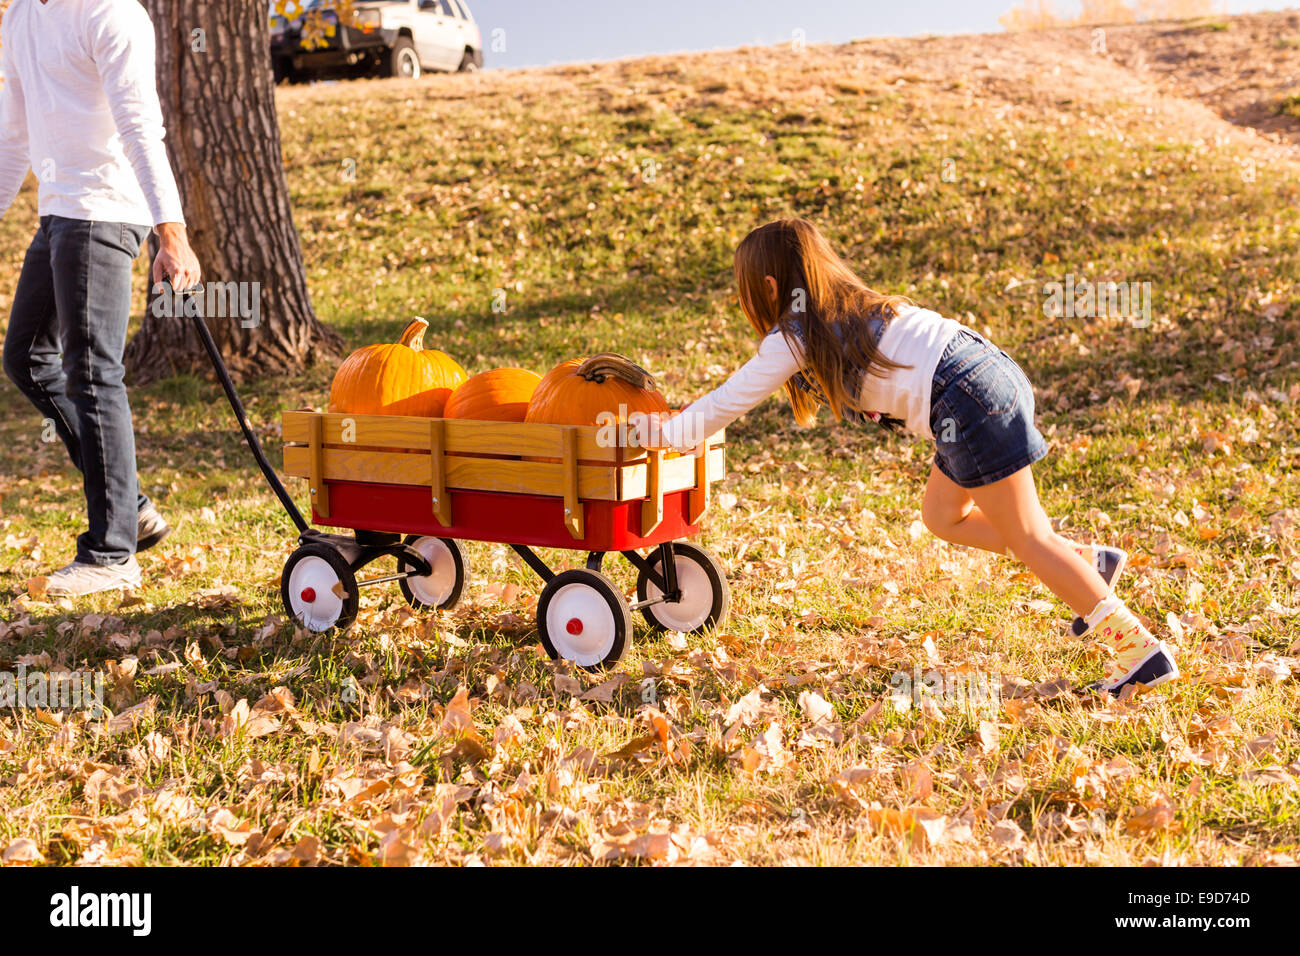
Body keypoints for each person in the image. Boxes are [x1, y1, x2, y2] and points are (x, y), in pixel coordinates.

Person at [635, 218, 1177, 696]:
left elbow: (719, 408)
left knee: (1029, 538)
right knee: (943, 516)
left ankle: (1139, 654)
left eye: (746, 291)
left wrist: (648, 430)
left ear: (770, 286)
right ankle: (1086, 564)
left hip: (964, 398)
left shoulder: (796, 336)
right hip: (984, 374)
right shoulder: (857, 309)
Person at [0, 0, 201, 597]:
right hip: (60, 211)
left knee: (91, 371)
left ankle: (112, 553)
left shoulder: (112, 14)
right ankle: (128, 507)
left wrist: (172, 233)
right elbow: (14, 136)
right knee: (28, 358)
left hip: (107, 212)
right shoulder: (19, 19)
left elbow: (143, 127)